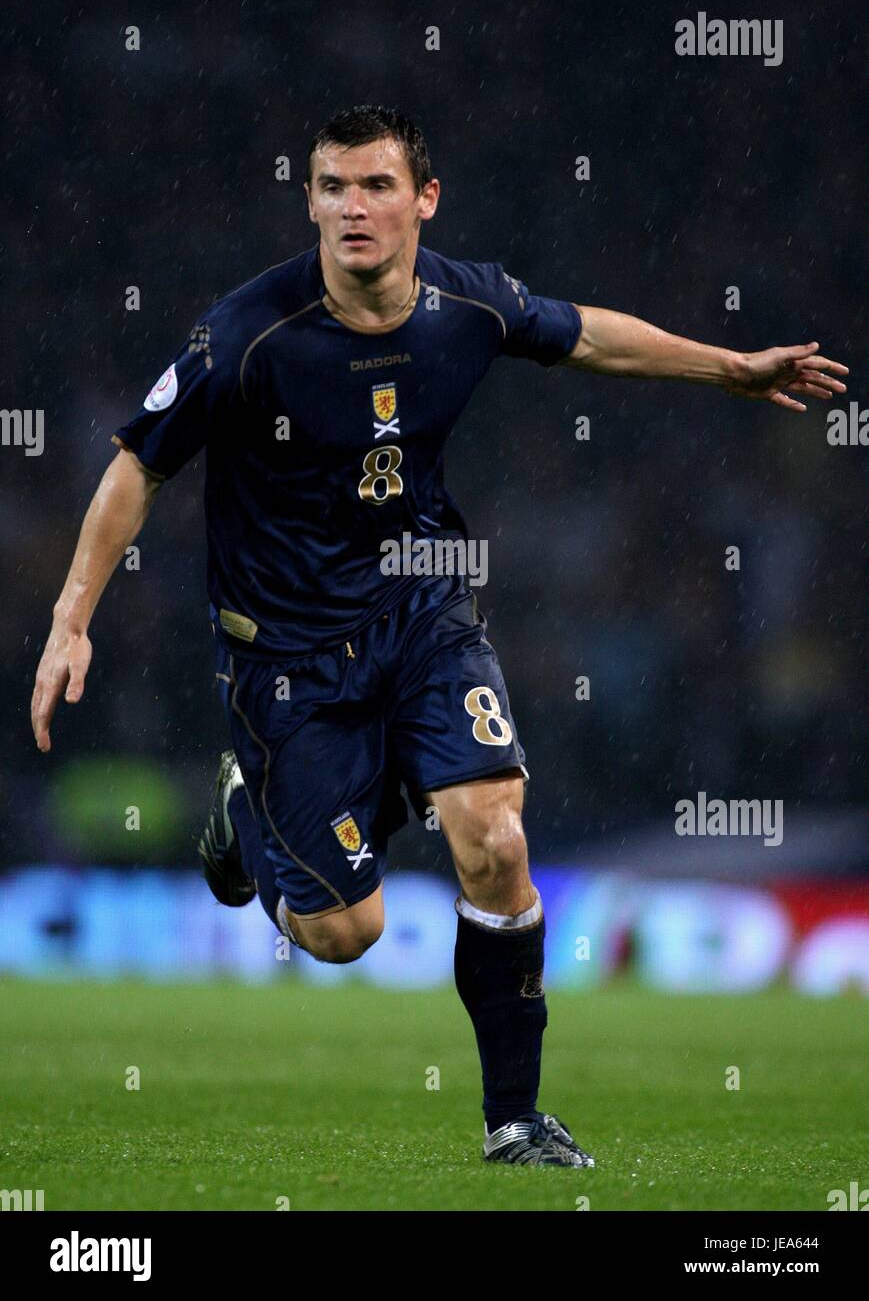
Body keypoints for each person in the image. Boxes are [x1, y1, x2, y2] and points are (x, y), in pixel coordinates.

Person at [30, 104, 848, 1168]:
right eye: (330, 188)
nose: (350, 209)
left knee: (495, 838)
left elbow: (585, 332)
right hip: (286, 655)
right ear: (310, 201)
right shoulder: (245, 335)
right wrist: (70, 617)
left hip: (421, 613)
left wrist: (730, 369)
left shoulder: (467, 301)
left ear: (424, 200)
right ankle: (252, 812)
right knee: (343, 934)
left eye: (374, 186)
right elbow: (136, 462)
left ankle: (513, 1119)